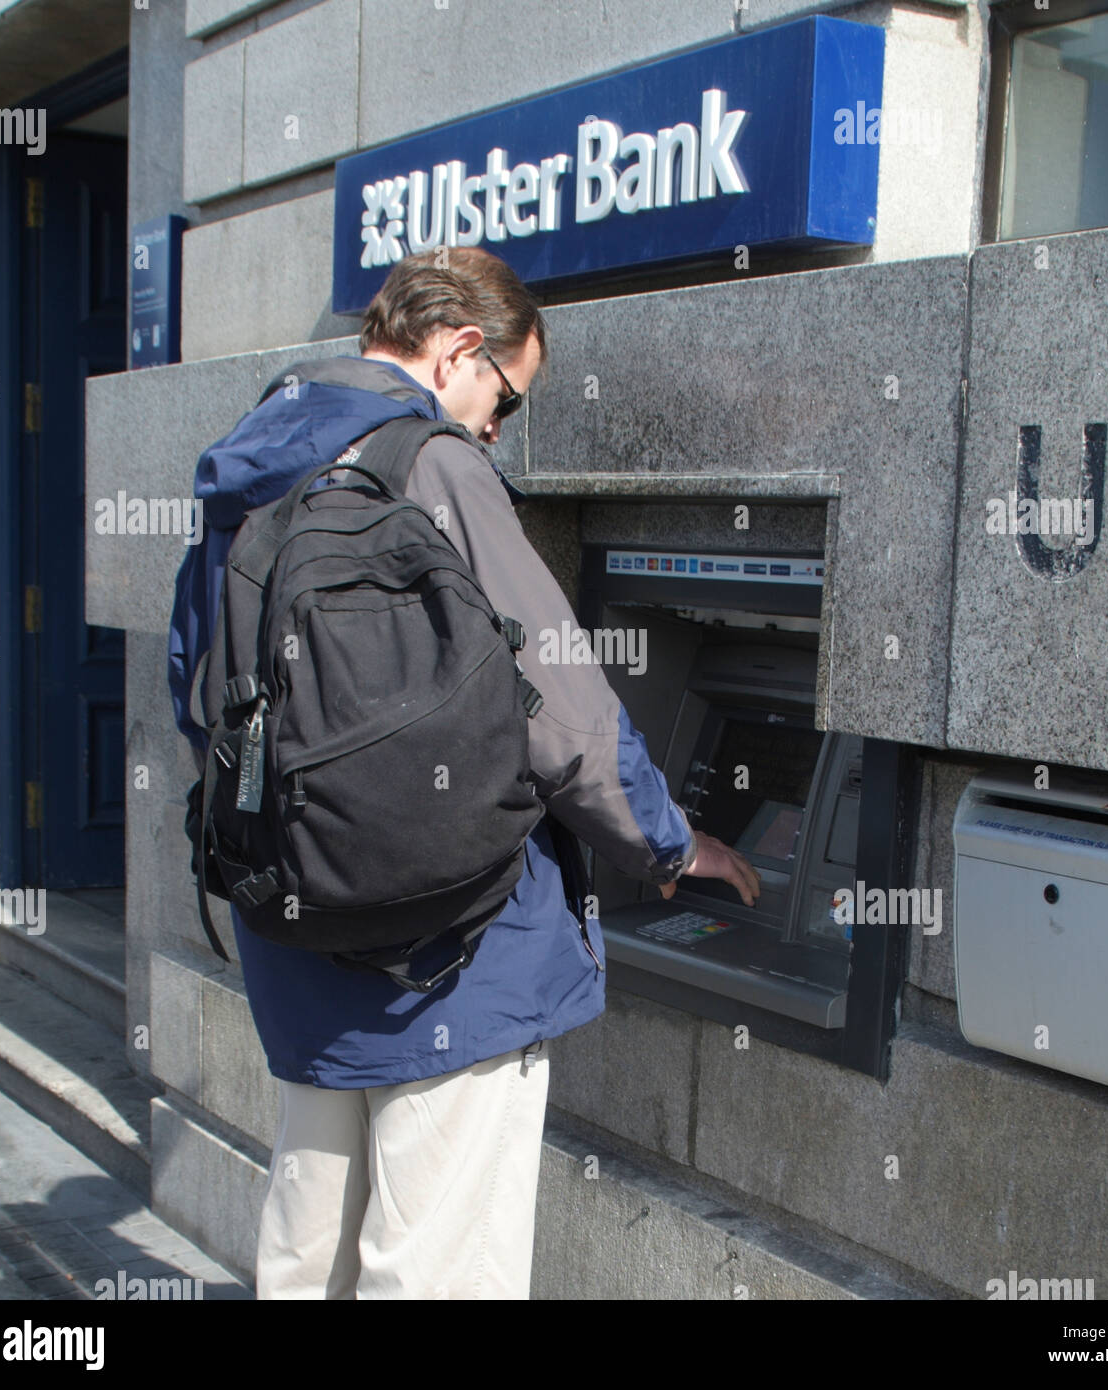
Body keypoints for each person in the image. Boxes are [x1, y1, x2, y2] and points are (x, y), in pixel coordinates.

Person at [167, 246, 760, 1300]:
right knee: (440, 1268)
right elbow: (560, 700)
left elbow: (195, 696)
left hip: (298, 929)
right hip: (457, 946)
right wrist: (670, 841)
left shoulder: (244, 466)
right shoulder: (432, 460)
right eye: (507, 402)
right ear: (458, 350)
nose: (495, 428)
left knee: (309, 1254)